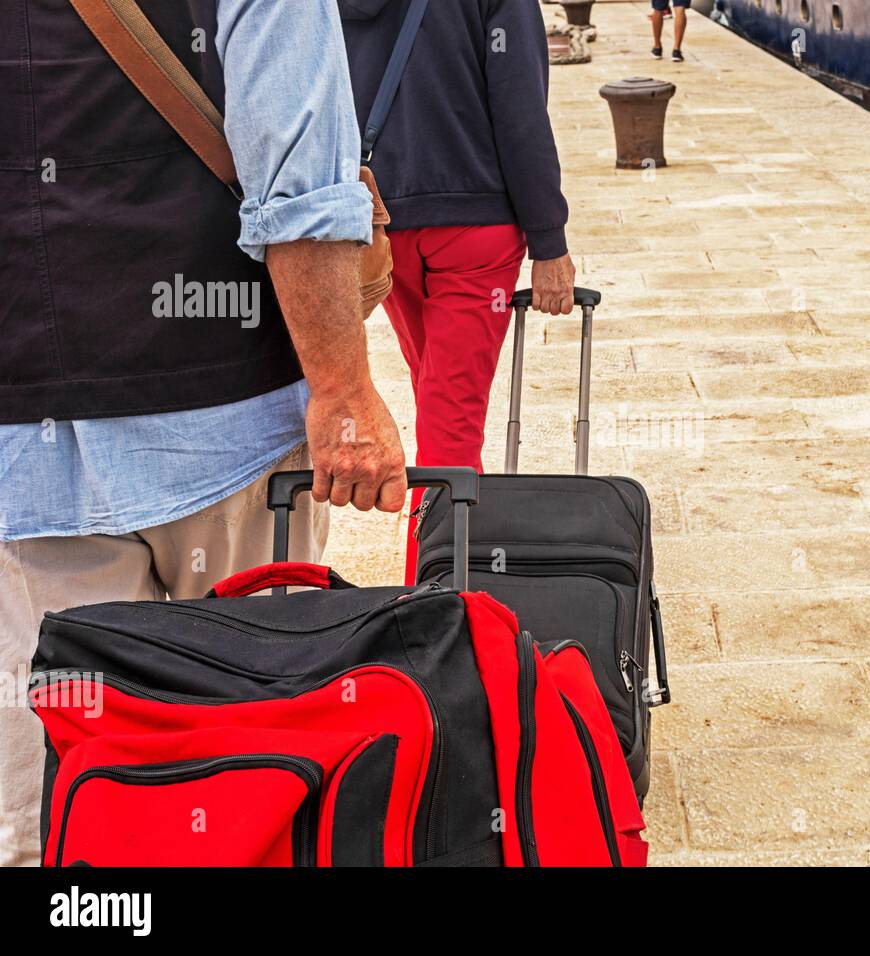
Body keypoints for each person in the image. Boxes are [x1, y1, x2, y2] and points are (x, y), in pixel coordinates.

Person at [0, 0, 407, 866]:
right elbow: (298, 164)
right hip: (224, 417)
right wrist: (342, 390)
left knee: (69, 786)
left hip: (24, 444)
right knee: (255, 762)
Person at [338, 0, 577, 582]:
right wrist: (549, 241)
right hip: (475, 230)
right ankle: (437, 598)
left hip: (382, 220)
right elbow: (520, 111)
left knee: (439, 403)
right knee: (451, 431)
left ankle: (455, 572)